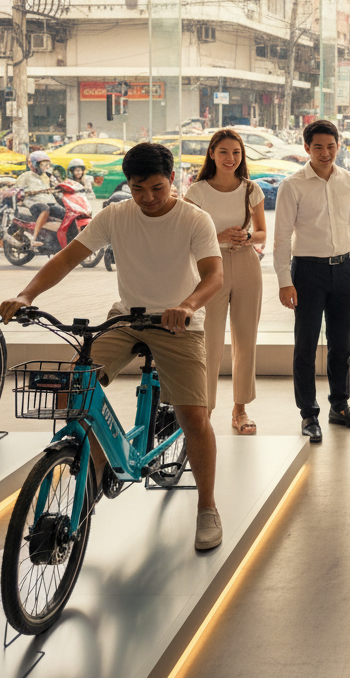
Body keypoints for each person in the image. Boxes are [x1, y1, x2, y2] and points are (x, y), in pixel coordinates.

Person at [0, 142, 225, 550]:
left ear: (171, 180)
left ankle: (207, 507)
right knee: (73, 388)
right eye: (138, 189)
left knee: (194, 417)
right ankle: (102, 462)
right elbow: (66, 259)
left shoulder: (195, 219)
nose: (149, 198)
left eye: (157, 188)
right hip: (126, 318)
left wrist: (188, 304)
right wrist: (27, 295)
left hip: (179, 324)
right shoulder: (116, 215)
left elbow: (213, 275)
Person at [274, 119, 350, 442]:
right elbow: (282, 237)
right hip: (308, 273)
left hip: (344, 269)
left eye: (331, 146)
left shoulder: (347, 181)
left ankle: (339, 406)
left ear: (338, 146)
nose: (326, 153)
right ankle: (308, 414)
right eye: (318, 147)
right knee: (305, 346)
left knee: (340, 345)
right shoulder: (293, 184)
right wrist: (284, 280)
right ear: (307, 148)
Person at [185, 129, 267, 435]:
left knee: (246, 341)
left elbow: (261, 233)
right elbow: (187, 237)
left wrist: (247, 236)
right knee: (209, 343)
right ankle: (204, 410)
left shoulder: (251, 189)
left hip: (247, 264)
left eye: (236, 152)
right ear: (211, 154)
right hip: (210, 268)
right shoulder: (197, 192)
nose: (230, 158)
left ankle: (240, 410)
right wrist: (217, 237)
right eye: (223, 152)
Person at [15, 151, 59, 248]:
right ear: (35, 164)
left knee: (65, 212)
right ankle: (33, 238)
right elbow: (17, 189)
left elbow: (58, 185)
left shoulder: (48, 176)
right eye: (43, 164)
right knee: (45, 209)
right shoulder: (26, 176)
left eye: (47, 164)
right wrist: (24, 193)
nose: (46, 167)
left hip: (49, 201)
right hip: (33, 203)